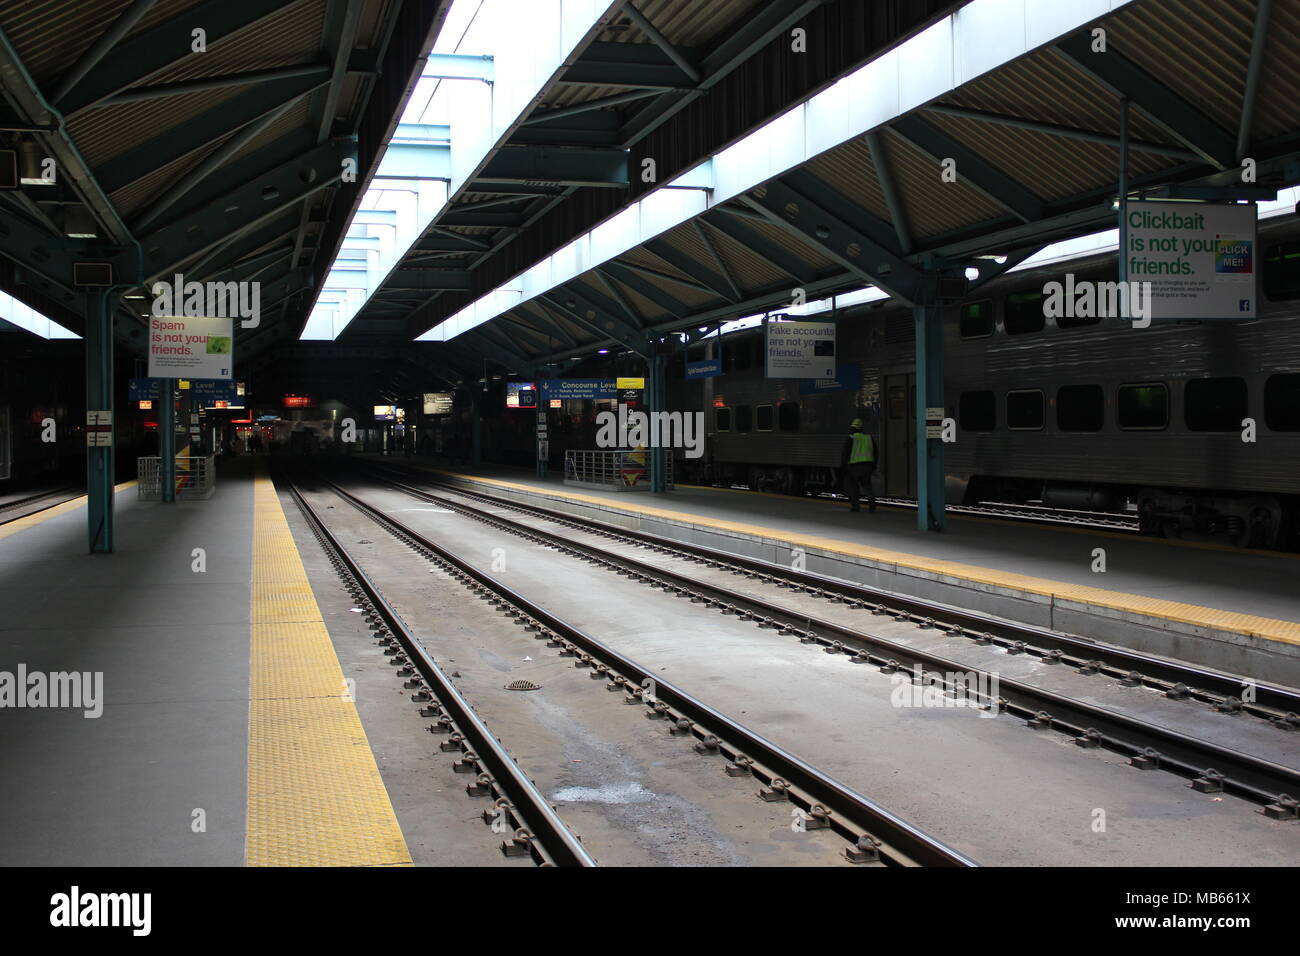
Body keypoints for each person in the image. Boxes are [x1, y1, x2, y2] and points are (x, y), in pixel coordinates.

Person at [841, 417, 877, 513]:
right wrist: (873, 466)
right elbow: (876, 452)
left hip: (854, 467)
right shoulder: (869, 438)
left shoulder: (851, 438)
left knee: (854, 487)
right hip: (867, 466)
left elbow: (845, 454)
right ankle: (872, 502)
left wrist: (843, 466)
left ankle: (855, 507)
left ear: (854, 428)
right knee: (867, 486)